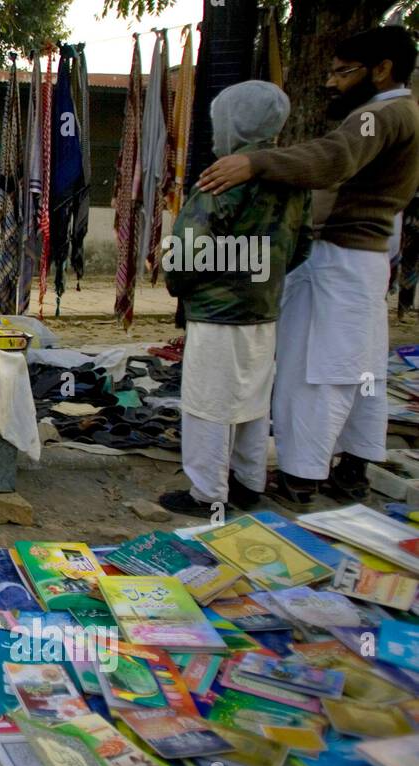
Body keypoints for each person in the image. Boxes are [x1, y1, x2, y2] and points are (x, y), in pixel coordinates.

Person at [199, 26, 419, 511]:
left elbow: (335, 158)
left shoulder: (377, 117)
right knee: (360, 370)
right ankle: (353, 469)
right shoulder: (401, 112)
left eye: (343, 72)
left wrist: (255, 163)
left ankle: (301, 477)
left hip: (340, 261)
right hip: (361, 265)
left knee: (314, 372)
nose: (332, 83)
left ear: (381, 69)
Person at [158, 81, 312, 518]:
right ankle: (248, 482)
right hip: (264, 310)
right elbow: (303, 247)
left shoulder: (222, 180)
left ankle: (207, 493)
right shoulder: (291, 179)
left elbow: (188, 252)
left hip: (217, 312)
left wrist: (184, 288)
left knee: (208, 403)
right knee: (251, 403)